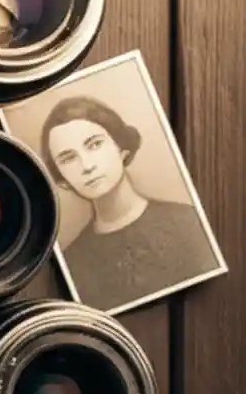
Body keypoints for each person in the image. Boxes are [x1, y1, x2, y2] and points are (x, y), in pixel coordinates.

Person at [40, 96, 217, 311]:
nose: (86, 166)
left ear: (121, 148)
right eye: (68, 158)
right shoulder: (72, 263)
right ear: (62, 179)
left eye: (94, 145)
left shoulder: (187, 222)